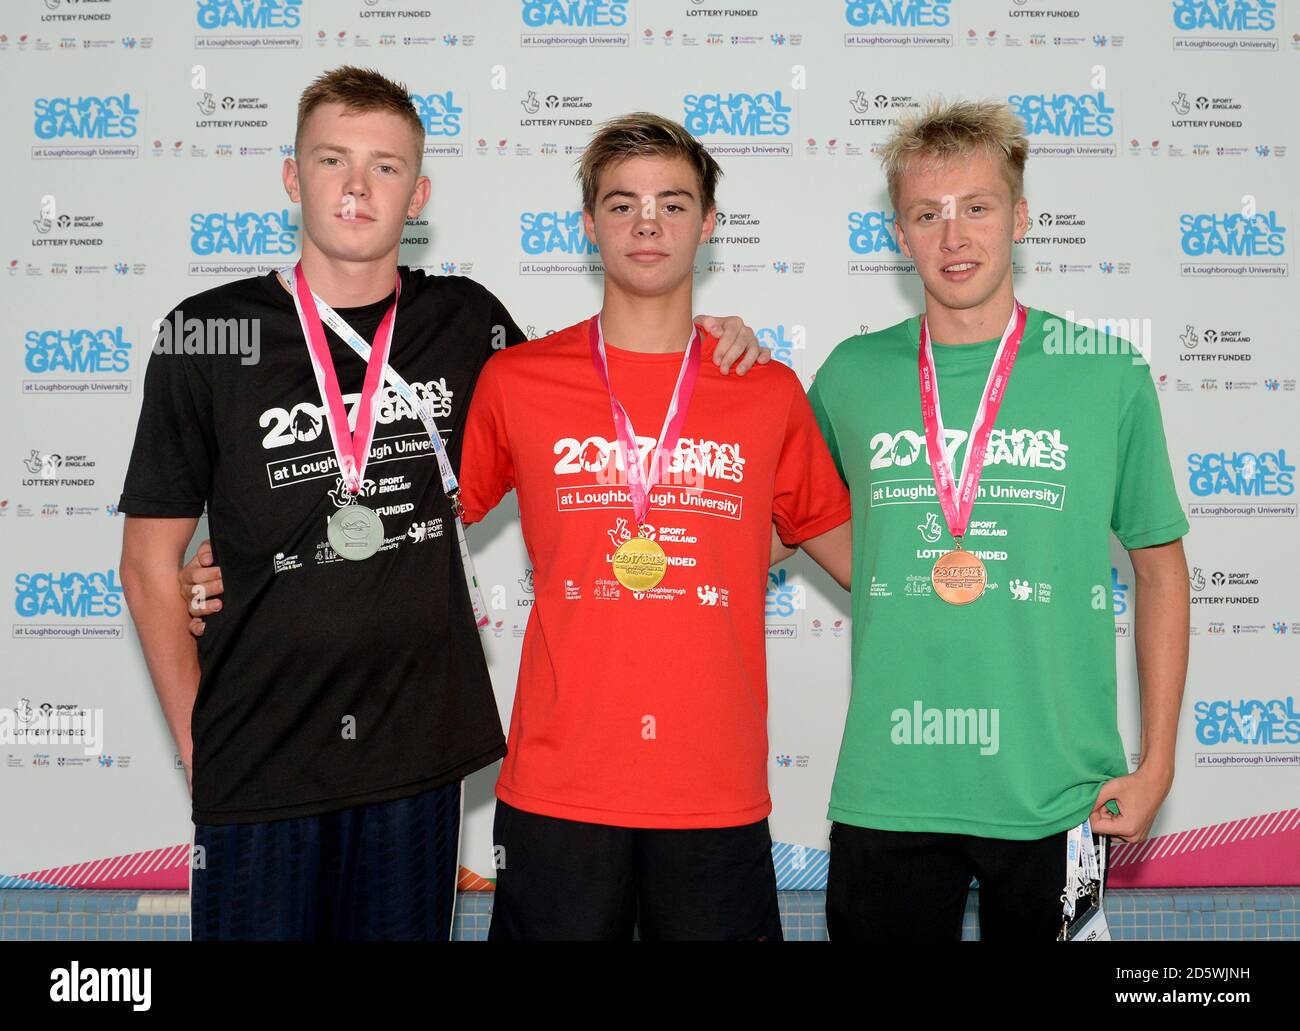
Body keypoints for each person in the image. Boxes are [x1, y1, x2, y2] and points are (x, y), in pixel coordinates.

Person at [120, 66, 766, 942]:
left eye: (385, 167)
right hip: (257, 755)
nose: (357, 187)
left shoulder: (471, 326)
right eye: (332, 160)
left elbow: (599, 395)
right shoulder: (205, 330)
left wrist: (714, 339)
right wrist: (201, 744)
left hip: (417, 756)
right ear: (290, 175)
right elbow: (150, 564)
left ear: (416, 193)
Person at [801, 98, 1190, 941]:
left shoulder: (1107, 373)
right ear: (898, 235)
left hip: (1060, 794)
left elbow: (1161, 568)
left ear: (1020, 218)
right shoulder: (849, 375)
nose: (954, 237)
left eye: (977, 207)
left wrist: (1157, 761)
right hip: (889, 789)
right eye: (927, 214)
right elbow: (788, 515)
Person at [457, 112, 852, 941]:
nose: (647, 223)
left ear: (709, 224)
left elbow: (846, 549)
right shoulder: (515, 379)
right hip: (558, 787)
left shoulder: (766, 388)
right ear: (589, 223)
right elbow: (416, 522)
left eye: (673, 204)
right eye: (622, 203)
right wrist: (248, 552)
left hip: (712, 790)